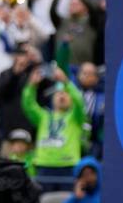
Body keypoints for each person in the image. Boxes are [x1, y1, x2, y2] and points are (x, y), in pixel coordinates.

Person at [21, 64, 86, 192]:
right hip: (44, 165)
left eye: (65, 94)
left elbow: (79, 101)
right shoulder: (43, 116)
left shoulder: (76, 117)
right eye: (58, 94)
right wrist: (31, 85)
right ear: (53, 98)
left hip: (68, 166)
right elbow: (28, 104)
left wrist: (66, 82)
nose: (62, 96)